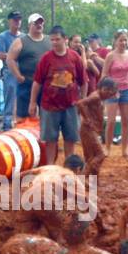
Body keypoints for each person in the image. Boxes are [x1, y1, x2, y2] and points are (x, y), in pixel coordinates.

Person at [28, 25, 86, 166]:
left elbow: (83, 82)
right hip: (49, 105)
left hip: (70, 105)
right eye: (52, 40)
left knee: (70, 138)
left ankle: (69, 166)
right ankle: (49, 167)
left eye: (57, 39)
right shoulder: (46, 58)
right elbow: (37, 82)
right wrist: (32, 102)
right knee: (50, 139)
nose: (54, 42)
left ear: (65, 40)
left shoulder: (75, 57)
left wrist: (82, 102)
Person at [100, 29, 128, 160]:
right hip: (112, 91)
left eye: (125, 40)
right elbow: (104, 74)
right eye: (121, 40)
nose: (123, 43)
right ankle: (107, 149)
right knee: (111, 121)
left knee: (126, 121)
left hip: (125, 91)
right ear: (115, 41)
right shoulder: (110, 56)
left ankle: (125, 150)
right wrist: (104, 90)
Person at [6, 14, 50, 124]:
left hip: (46, 83)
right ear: (30, 25)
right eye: (36, 23)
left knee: (47, 114)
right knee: (24, 116)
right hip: (27, 83)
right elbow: (10, 59)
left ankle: (44, 138)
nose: (39, 25)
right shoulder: (21, 41)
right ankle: (23, 138)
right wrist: (18, 76)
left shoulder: (49, 40)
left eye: (41, 23)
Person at [76, 77, 114, 181]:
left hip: (88, 129)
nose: (109, 93)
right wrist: (88, 119)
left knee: (91, 158)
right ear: (102, 88)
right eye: (107, 90)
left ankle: (93, 184)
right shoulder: (96, 97)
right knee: (100, 155)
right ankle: (81, 179)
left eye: (111, 91)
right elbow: (80, 103)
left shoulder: (98, 97)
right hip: (88, 130)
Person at [0, 12, 23, 130]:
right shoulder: (3, 36)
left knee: (23, 97)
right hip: (9, 71)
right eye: (15, 20)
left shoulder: (24, 37)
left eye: (19, 20)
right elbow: (0, 55)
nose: (17, 22)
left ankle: (22, 122)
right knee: (10, 97)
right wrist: (13, 56)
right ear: (10, 21)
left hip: (23, 70)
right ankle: (7, 124)